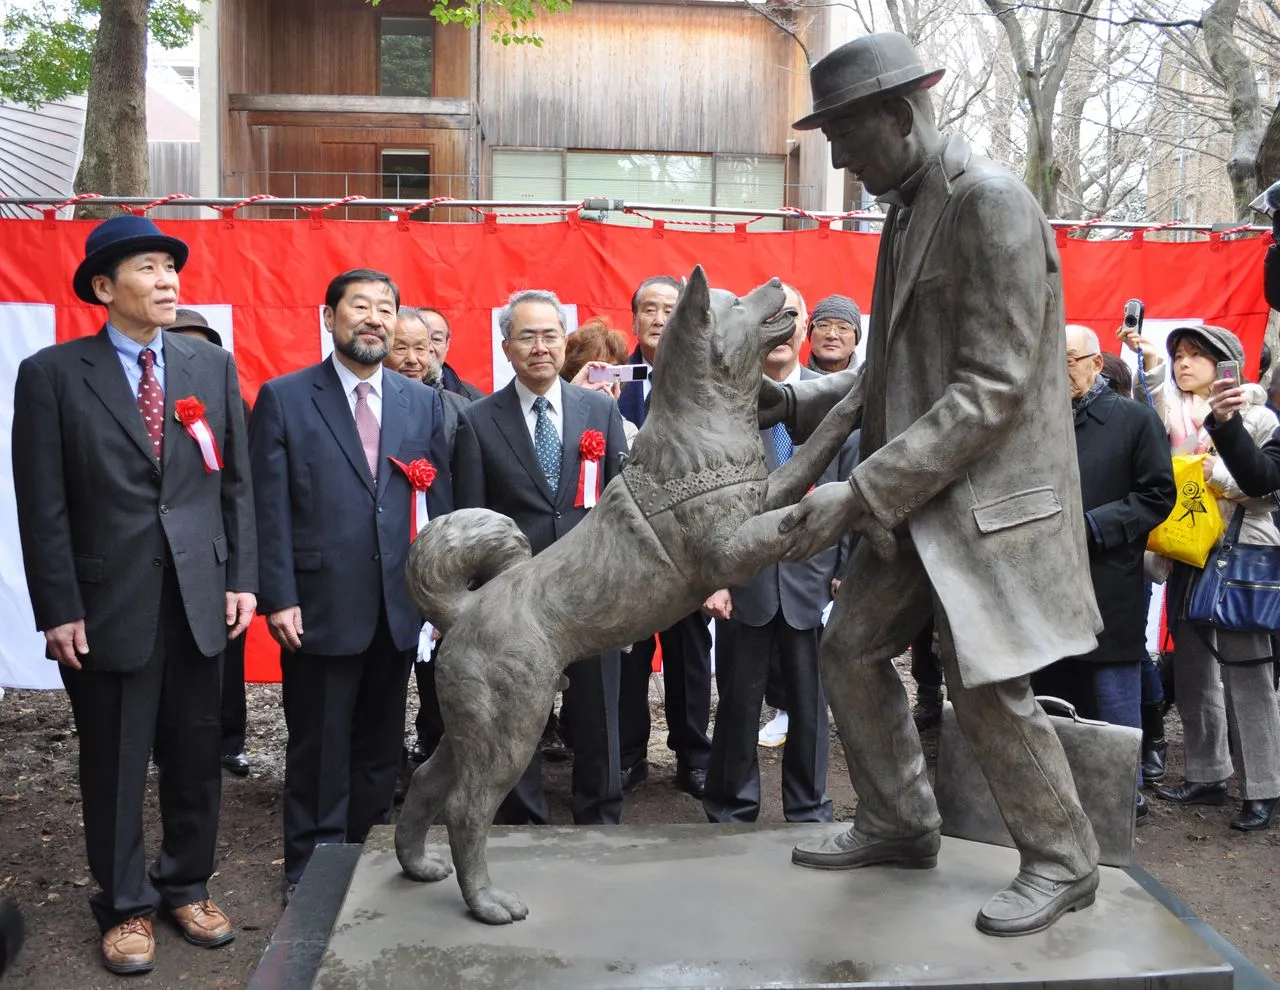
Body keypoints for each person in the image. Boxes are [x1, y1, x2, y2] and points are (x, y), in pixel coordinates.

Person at [772, 32, 1102, 936]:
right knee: (849, 648)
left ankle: (1065, 859)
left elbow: (989, 390)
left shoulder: (989, 204)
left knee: (985, 685)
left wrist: (863, 491)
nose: (838, 155)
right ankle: (898, 819)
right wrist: (790, 398)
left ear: (901, 114)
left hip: (977, 506)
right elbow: (891, 373)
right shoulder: (906, 205)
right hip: (919, 503)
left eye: (845, 134)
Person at [12, 215, 257, 974]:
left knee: (194, 752)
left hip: (199, 595)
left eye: (171, 268)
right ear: (103, 287)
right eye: (148, 269)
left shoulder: (206, 367)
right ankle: (123, 905)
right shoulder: (54, 373)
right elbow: (41, 502)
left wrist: (242, 576)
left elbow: (236, 484)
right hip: (104, 600)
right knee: (114, 762)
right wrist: (58, 607)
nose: (167, 281)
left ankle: (186, 884)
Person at [250, 269, 452, 902]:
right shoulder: (285, 397)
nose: (373, 319)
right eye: (359, 306)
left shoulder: (421, 402)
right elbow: (268, 506)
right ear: (328, 315)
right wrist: (278, 594)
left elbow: (436, 503)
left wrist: (439, 595)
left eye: (385, 309)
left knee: (379, 747)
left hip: (398, 606)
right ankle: (310, 870)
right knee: (318, 746)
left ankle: (368, 855)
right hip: (317, 606)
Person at [452, 289, 629, 824]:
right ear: (506, 347)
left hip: (591, 590)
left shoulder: (599, 408)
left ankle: (600, 819)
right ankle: (523, 823)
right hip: (517, 598)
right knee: (516, 716)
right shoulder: (478, 420)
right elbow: (472, 521)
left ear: (564, 342)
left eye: (550, 334)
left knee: (598, 713)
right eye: (526, 336)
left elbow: (623, 502)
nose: (540, 346)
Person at [702, 285, 853, 824]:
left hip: (815, 578)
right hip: (744, 578)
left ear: (803, 326)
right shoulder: (727, 398)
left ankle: (809, 806)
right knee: (739, 705)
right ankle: (730, 805)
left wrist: (846, 571)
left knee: (812, 707)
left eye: (790, 316)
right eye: (769, 317)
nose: (781, 329)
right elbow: (709, 499)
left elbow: (854, 485)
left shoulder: (836, 394)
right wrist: (712, 579)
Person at [1122, 322, 1280, 832]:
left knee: (1248, 673)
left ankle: (1264, 786)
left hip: (1241, 557)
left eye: (1196, 354)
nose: (1184, 363)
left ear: (1225, 363)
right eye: (1179, 356)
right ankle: (1209, 774)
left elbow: (1264, 487)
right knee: (1192, 670)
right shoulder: (1173, 416)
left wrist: (1208, 474)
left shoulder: (1259, 418)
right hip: (1189, 552)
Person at [1032, 326, 1175, 825]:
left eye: (1072, 359)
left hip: (1108, 577)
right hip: (1044, 580)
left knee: (1113, 694)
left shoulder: (1134, 420)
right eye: (1056, 359)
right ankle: (1054, 798)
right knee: (1050, 689)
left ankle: (1122, 793)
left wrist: (1095, 526)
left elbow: (1158, 495)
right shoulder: (1035, 420)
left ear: (1097, 362)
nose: (1063, 369)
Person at [617, 276, 713, 798]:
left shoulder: (704, 380)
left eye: (669, 309)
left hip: (688, 544)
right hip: (627, 545)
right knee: (627, 654)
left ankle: (694, 756)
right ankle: (628, 756)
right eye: (648, 309)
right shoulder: (612, 379)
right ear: (634, 320)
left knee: (689, 656)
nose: (658, 318)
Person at [165, 308, 255, 779]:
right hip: (160, 555)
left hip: (215, 552)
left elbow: (243, 484)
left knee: (225, 654)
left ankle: (228, 740)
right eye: (181, 340)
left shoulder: (233, 403)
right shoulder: (144, 402)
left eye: (202, 343)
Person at [384, 305, 472, 769]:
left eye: (425, 346)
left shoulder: (466, 408)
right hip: (386, 559)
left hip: (445, 561)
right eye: (402, 347)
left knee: (445, 669)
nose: (415, 357)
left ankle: (442, 757)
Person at [420, 307, 484, 400]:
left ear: (447, 345)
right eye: (421, 338)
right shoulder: (391, 392)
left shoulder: (474, 400)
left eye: (436, 339)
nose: (429, 347)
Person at [806, 294, 862, 374]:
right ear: (810, 334)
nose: (832, 335)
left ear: (856, 339)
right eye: (823, 325)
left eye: (843, 328)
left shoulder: (872, 385)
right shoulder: (791, 383)